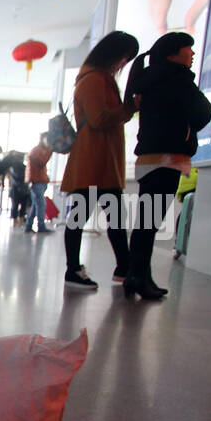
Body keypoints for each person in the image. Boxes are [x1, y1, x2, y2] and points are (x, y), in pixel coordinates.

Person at [121, 31, 211, 300]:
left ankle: (137, 275)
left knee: (145, 223)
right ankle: (138, 276)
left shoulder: (150, 79)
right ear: (173, 53)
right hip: (169, 159)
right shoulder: (178, 78)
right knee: (150, 222)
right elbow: (202, 112)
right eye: (188, 49)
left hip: (148, 159)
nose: (192, 54)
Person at [58, 30, 140, 289]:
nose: (123, 64)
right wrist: (130, 108)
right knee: (84, 218)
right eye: (125, 57)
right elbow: (98, 118)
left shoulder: (97, 78)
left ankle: (123, 268)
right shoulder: (93, 80)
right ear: (114, 54)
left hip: (99, 162)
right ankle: (75, 270)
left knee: (113, 217)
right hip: (92, 163)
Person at [26, 134, 52, 233]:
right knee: (41, 204)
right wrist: (50, 151)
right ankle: (41, 226)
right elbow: (42, 161)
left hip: (40, 181)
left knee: (36, 204)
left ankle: (28, 226)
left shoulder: (39, 150)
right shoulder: (36, 151)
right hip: (36, 182)